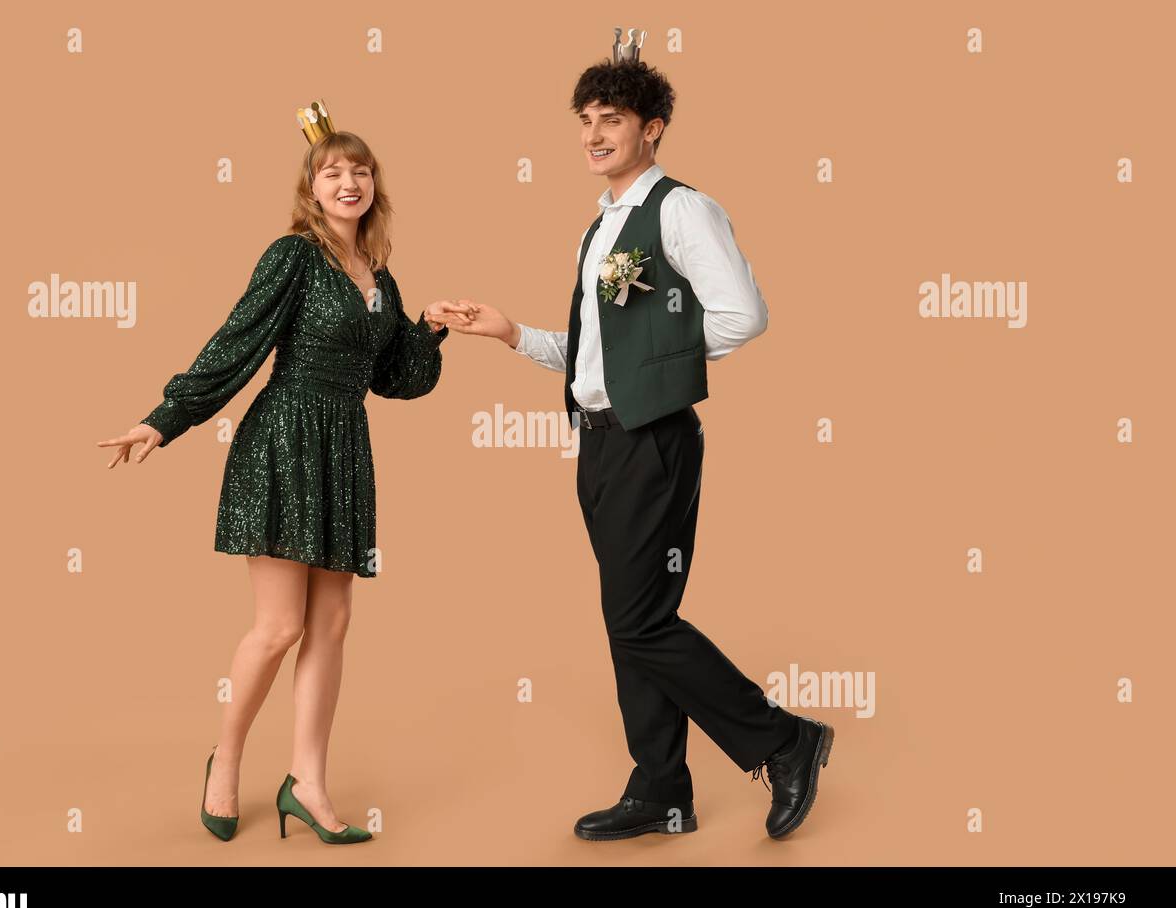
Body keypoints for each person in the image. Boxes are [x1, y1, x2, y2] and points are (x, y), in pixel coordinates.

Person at [442, 44, 835, 840]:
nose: (594, 134)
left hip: (651, 441)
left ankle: (784, 740)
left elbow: (743, 315)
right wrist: (511, 333)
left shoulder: (682, 210)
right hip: (596, 442)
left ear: (652, 128)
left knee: (641, 622)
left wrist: (660, 370)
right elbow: (597, 353)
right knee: (632, 619)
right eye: (585, 121)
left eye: (611, 120)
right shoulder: (599, 228)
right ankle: (662, 789)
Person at [97, 109, 469, 846]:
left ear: (375, 185)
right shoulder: (294, 257)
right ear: (312, 187)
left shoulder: (380, 276)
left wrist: (425, 326)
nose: (348, 181)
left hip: (343, 445)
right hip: (284, 441)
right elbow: (236, 340)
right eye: (333, 172)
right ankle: (225, 763)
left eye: (360, 170)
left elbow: (394, 378)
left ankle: (308, 783)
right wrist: (164, 418)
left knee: (332, 623)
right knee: (279, 628)